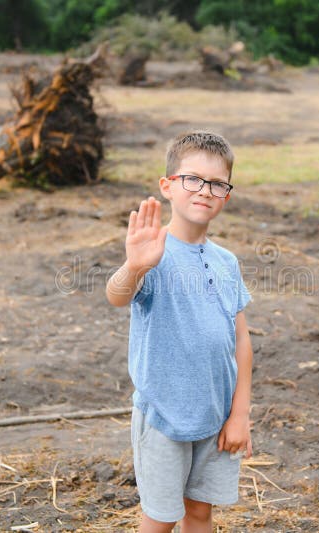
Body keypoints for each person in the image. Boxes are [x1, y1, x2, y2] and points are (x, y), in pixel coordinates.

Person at [105, 131, 253, 532]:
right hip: (164, 417)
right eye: (192, 179)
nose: (204, 190)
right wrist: (135, 266)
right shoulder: (154, 253)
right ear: (168, 186)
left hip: (216, 415)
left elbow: (240, 340)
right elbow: (117, 296)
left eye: (217, 183)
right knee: (161, 519)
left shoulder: (226, 262)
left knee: (200, 512)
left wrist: (239, 414)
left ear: (226, 193)